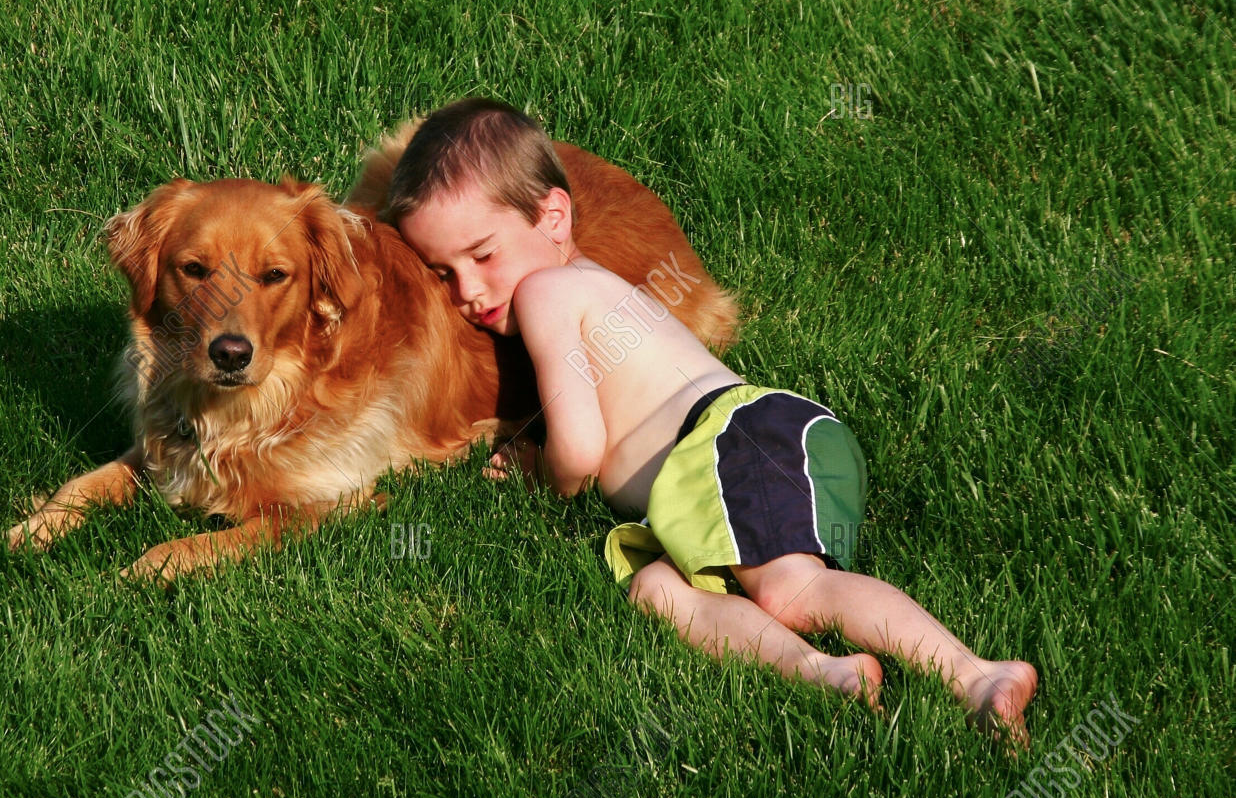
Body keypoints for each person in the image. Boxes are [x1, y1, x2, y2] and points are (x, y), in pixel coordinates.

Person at [384, 97, 1038, 744]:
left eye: (483, 255)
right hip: (745, 459)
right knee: (657, 589)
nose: (468, 291)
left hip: (733, 444)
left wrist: (542, 472)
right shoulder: (585, 281)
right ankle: (825, 670)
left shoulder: (545, 292)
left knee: (793, 589)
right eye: (443, 273)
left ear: (553, 215)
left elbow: (580, 448)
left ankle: (976, 672)